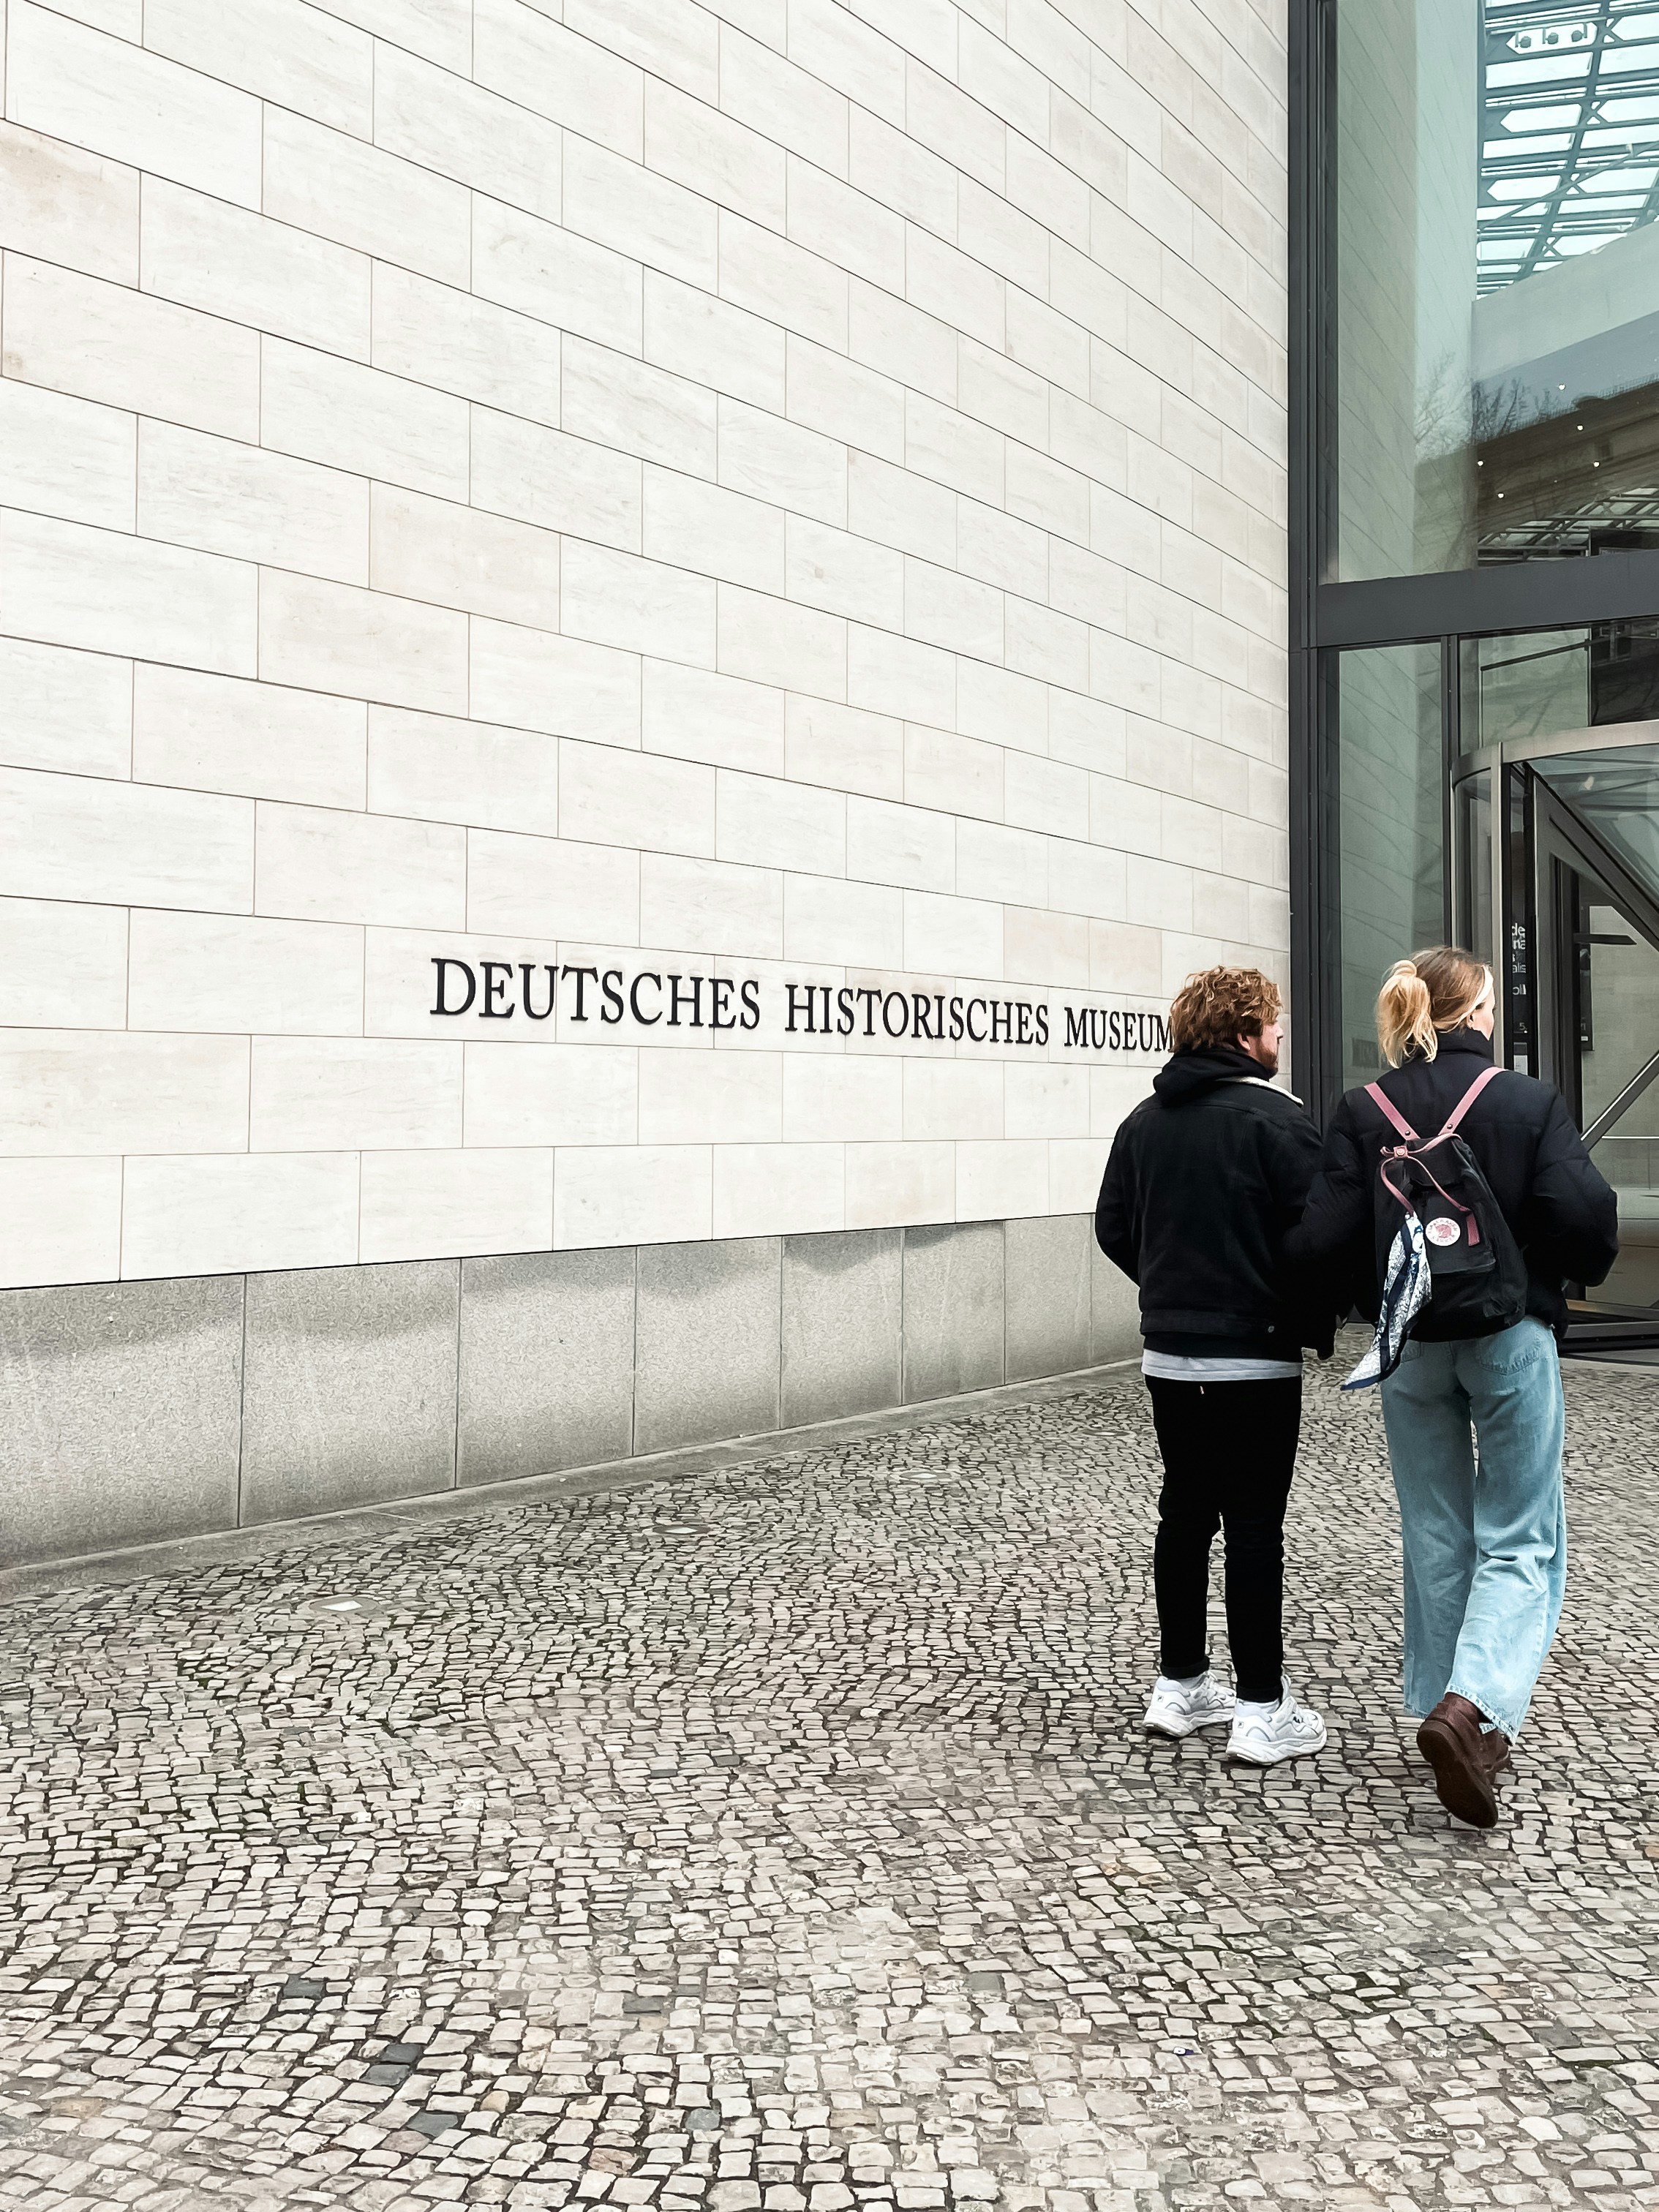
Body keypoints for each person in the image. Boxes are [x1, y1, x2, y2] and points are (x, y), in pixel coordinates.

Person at [1289, 947, 1617, 1827]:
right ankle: (1470, 1710)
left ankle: (1450, 1707)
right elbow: (1583, 1216)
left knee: (1435, 1527)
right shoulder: (1524, 1098)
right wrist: (1566, 1274)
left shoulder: (1365, 1107)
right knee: (1522, 1537)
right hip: (1510, 1333)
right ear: (1474, 1011)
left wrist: (1346, 1309)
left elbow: (1321, 1235)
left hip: (1412, 1343)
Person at [1096, 966, 1334, 1765]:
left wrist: (1172, 1290)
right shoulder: (1281, 1122)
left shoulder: (1142, 1123)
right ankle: (1262, 1709)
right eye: (1272, 1025)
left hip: (1169, 1350)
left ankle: (1181, 1685)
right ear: (1242, 1034)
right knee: (1254, 1523)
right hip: (1255, 1355)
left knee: (1185, 1512)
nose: (1278, 1038)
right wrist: (1296, 1302)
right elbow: (1318, 1235)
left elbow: (1114, 1229)